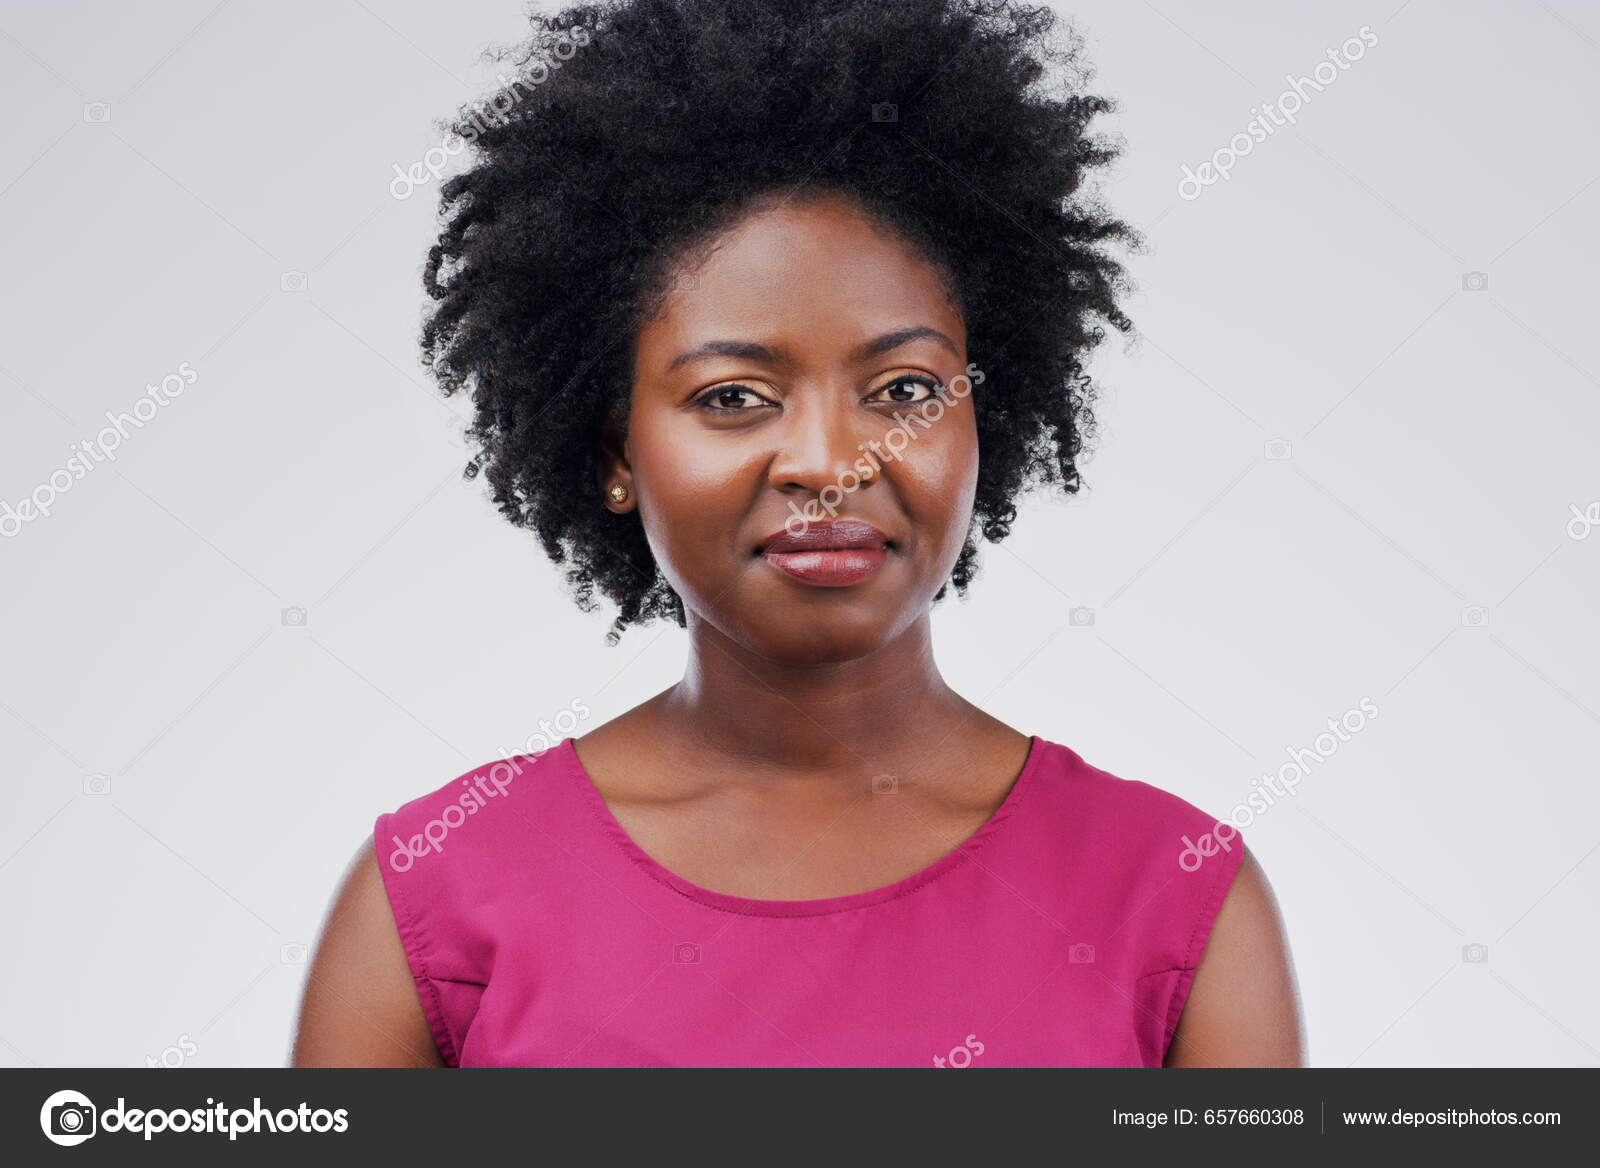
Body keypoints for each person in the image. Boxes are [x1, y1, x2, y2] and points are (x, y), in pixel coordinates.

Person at [292, 0, 1302, 1068]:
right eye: (732, 396)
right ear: (614, 453)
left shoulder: (1173, 895)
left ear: (983, 423)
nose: (831, 461)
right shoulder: (440, 893)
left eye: (904, 387)